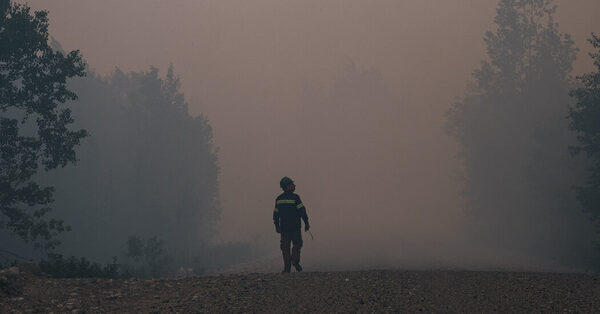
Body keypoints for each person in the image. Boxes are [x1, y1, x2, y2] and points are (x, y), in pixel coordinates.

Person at [273, 176, 310, 273]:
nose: (294, 185)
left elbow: (276, 214)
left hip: (284, 227)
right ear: (287, 186)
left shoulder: (279, 199)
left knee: (285, 247)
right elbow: (302, 211)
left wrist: (276, 225)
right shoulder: (295, 198)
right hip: (295, 227)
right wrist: (306, 222)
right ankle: (295, 259)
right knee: (297, 243)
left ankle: (287, 268)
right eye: (292, 184)